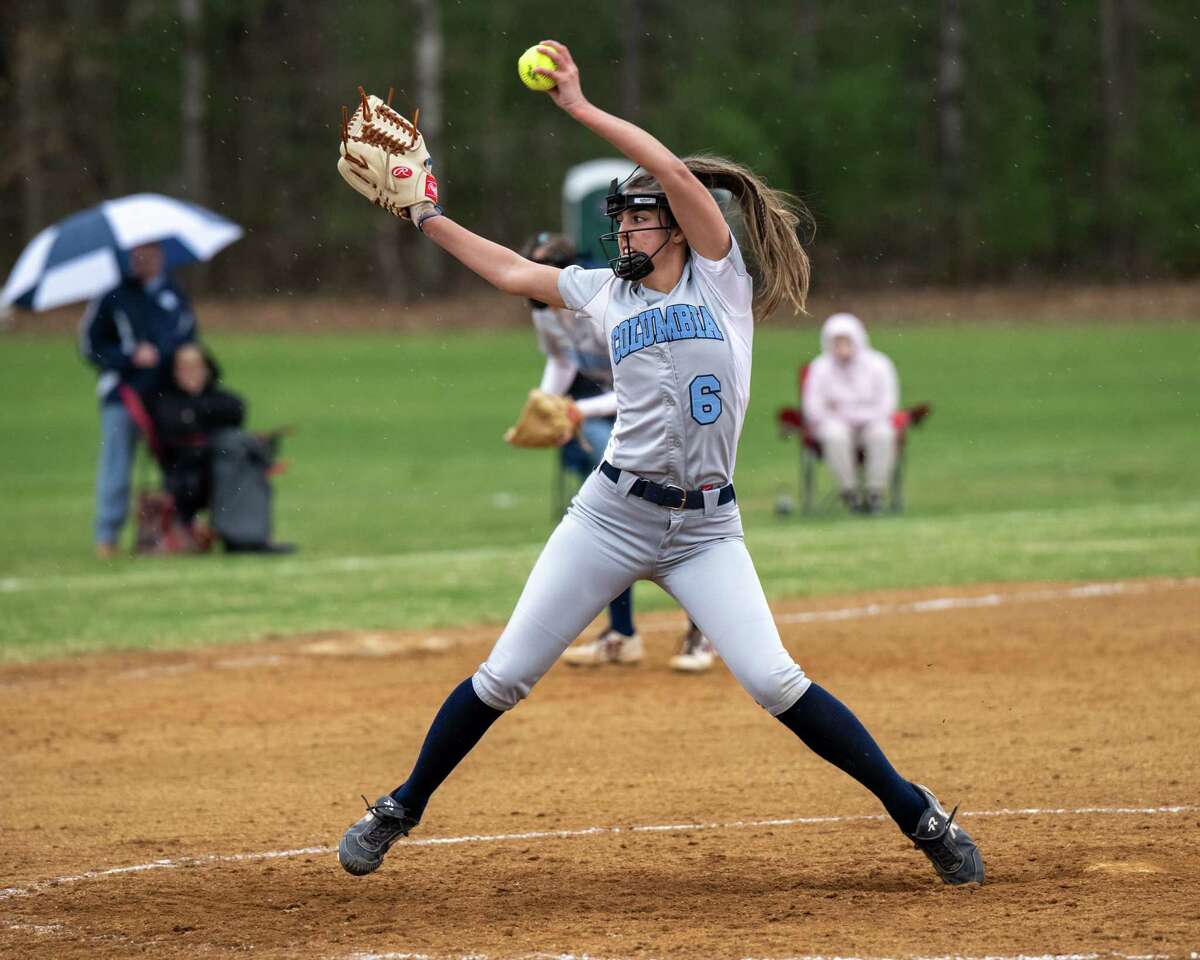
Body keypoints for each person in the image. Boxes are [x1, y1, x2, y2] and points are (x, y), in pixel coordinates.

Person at [337, 40, 984, 887]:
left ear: (680, 224)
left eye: (639, 217)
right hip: (610, 516)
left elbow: (671, 168)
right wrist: (424, 214)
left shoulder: (718, 277)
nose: (626, 228)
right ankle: (400, 807)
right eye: (622, 220)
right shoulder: (605, 292)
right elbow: (508, 271)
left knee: (776, 681)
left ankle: (918, 814)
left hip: (707, 528)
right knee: (502, 677)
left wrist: (579, 108)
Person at [521, 231, 715, 673]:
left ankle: (700, 633)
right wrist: (545, 401)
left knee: (676, 521)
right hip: (613, 408)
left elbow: (640, 387)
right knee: (612, 521)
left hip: (663, 409)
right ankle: (623, 634)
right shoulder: (543, 308)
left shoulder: (603, 303)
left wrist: (572, 409)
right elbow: (563, 360)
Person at [79, 242, 196, 557]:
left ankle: (177, 529)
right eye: (136, 253)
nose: (141, 258)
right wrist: (129, 357)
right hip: (124, 392)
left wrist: (168, 356)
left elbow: (188, 338)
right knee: (116, 464)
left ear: (160, 253)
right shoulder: (113, 295)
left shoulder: (173, 293)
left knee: (181, 462)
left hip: (168, 394)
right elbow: (90, 346)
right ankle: (107, 536)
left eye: (148, 251)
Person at [149, 343, 296, 555]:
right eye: (184, 368)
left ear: (207, 370)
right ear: (173, 372)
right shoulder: (165, 402)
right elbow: (177, 429)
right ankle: (241, 538)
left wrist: (196, 413)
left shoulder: (219, 399)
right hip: (187, 475)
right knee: (233, 449)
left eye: (196, 367)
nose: (191, 374)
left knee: (238, 456)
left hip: (221, 465)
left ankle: (250, 536)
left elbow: (236, 408)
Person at [802, 312, 900, 514]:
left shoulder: (879, 365)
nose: (841, 347)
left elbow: (887, 403)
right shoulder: (819, 368)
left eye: (846, 341)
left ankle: (875, 493)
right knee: (834, 434)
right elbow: (813, 407)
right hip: (835, 424)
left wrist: (857, 415)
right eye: (836, 342)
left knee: (883, 433)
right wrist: (841, 417)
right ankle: (850, 492)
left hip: (871, 423)